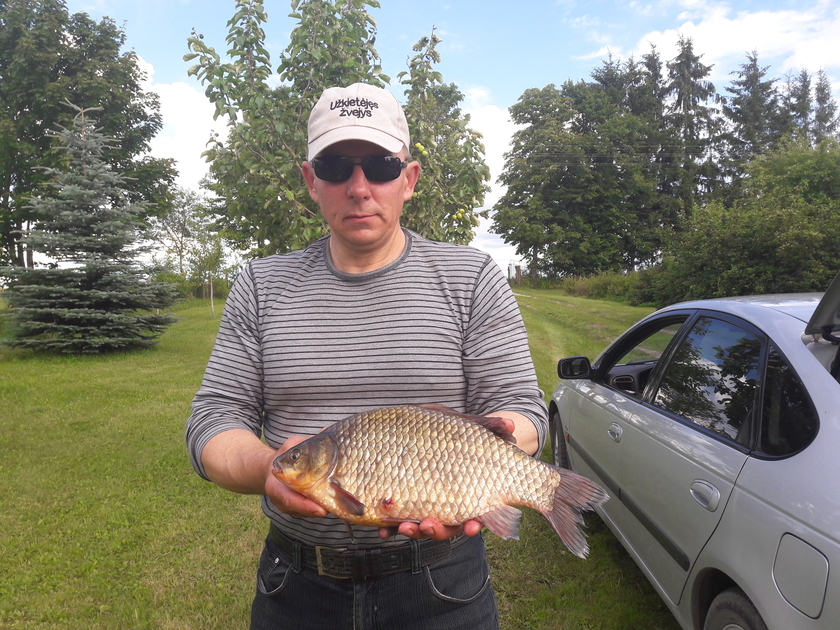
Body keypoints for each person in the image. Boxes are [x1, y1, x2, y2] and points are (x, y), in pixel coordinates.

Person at [185, 82, 548, 630]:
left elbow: (522, 409)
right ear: (310, 180)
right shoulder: (260, 285)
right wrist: (270, 471)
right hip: (297, 586)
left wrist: (467, 472)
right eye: (335, 167)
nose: (359, 188)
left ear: (410, 178)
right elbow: (214, 420)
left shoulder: (471, 276)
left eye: (380, 166)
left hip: (443, 586)